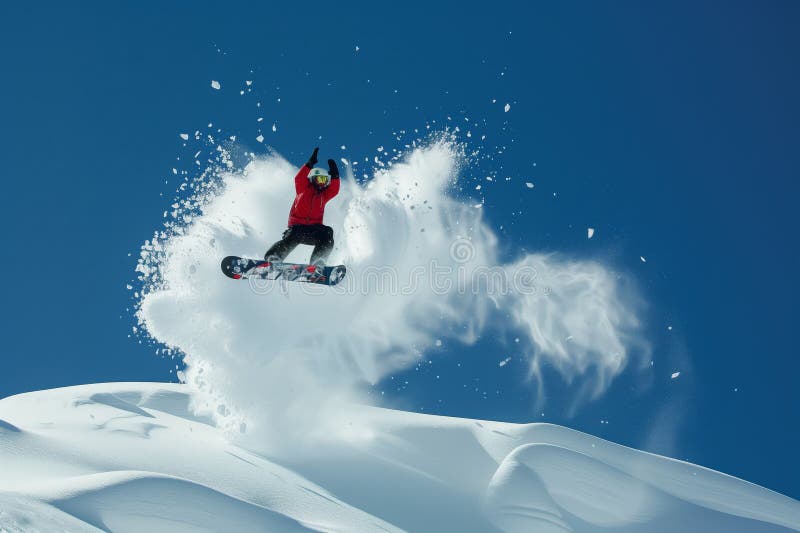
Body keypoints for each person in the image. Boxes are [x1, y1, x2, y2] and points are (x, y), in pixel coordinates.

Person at [264, 147, 340, 266]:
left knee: (327, 232)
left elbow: (334, 190)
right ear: (313, 178)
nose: (322, 183)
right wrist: (310, 163)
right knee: (296, 235)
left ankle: (318, 262)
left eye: (325, 180)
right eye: (320, 179)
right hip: (297, 229)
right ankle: (274, 257)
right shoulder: (303, 188)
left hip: (313, 230)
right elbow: (299, 178)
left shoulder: (323, 196)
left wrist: (335, 176)